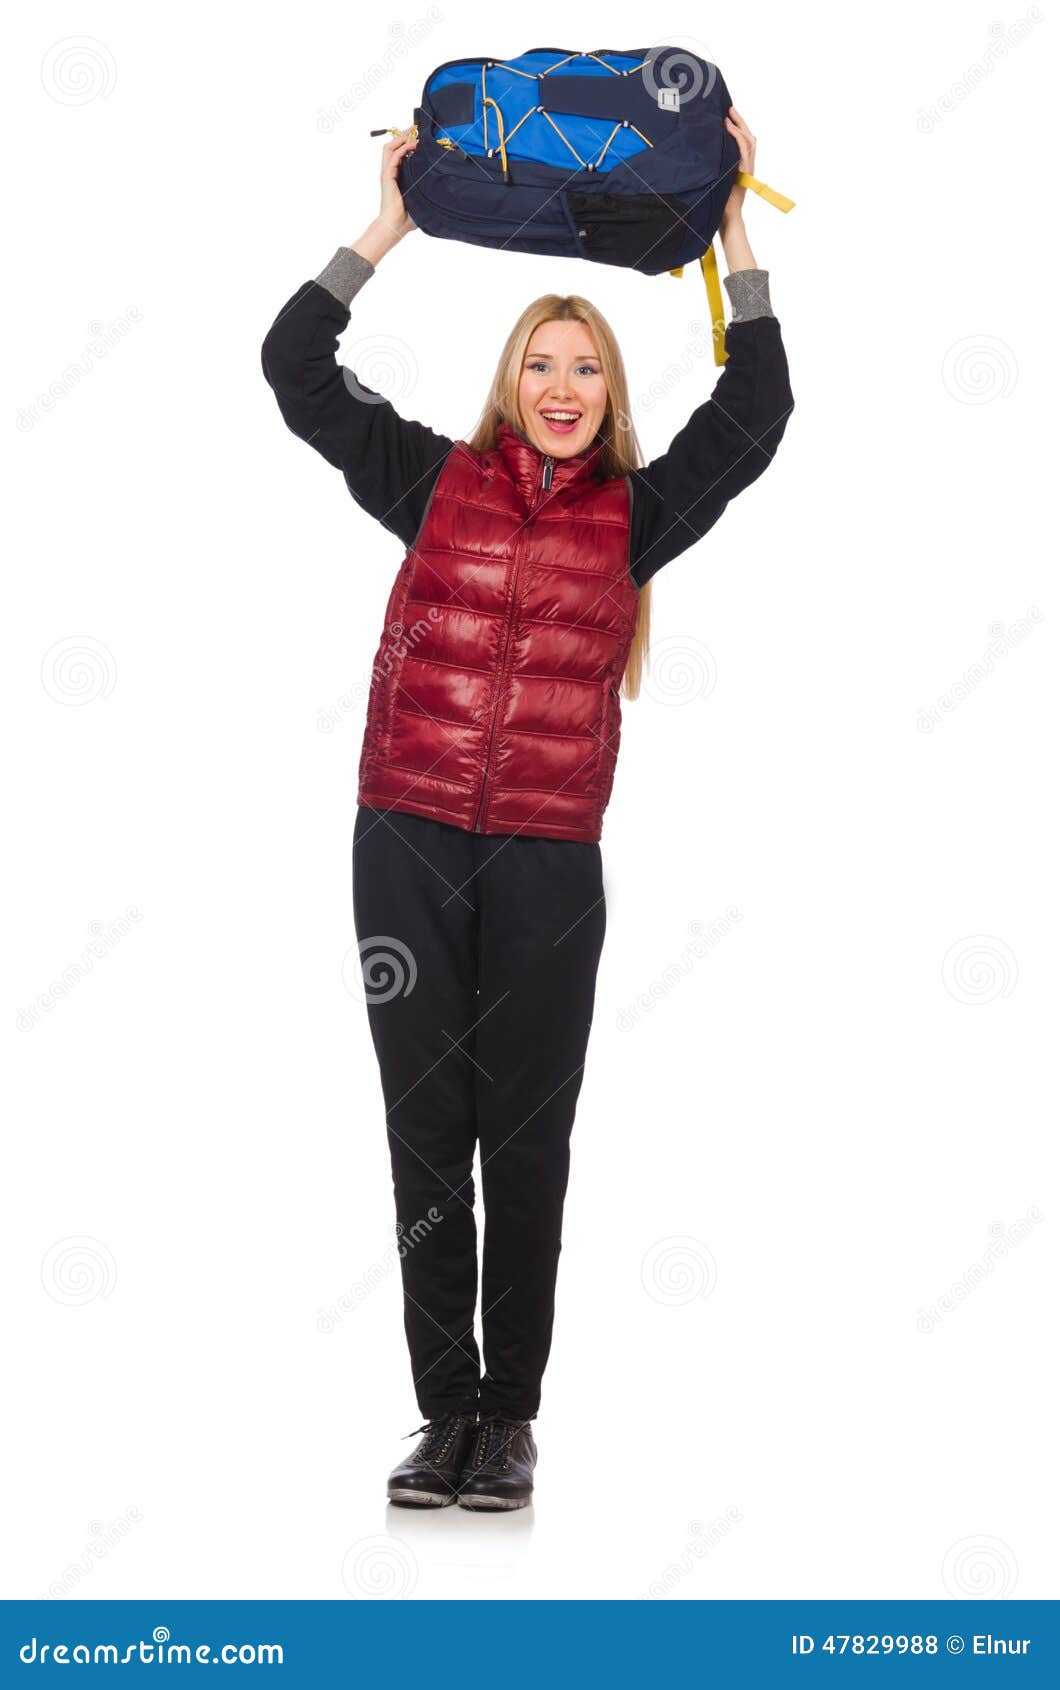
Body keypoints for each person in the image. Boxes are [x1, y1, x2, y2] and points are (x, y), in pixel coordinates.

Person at [261, 107, 794, 1510]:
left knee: (526, 1142)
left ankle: (509, 1421)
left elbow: (757, 412)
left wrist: (731, 231)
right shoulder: (430, 482)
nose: (563, 386)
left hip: (551, 862)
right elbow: (294, 365)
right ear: (511, 381)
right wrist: (387, 224)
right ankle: (443, 1412)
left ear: (611, 395)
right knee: (426, 1134)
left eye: (587, 367)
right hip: (407, 836)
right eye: (542, 364)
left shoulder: (637, 517)